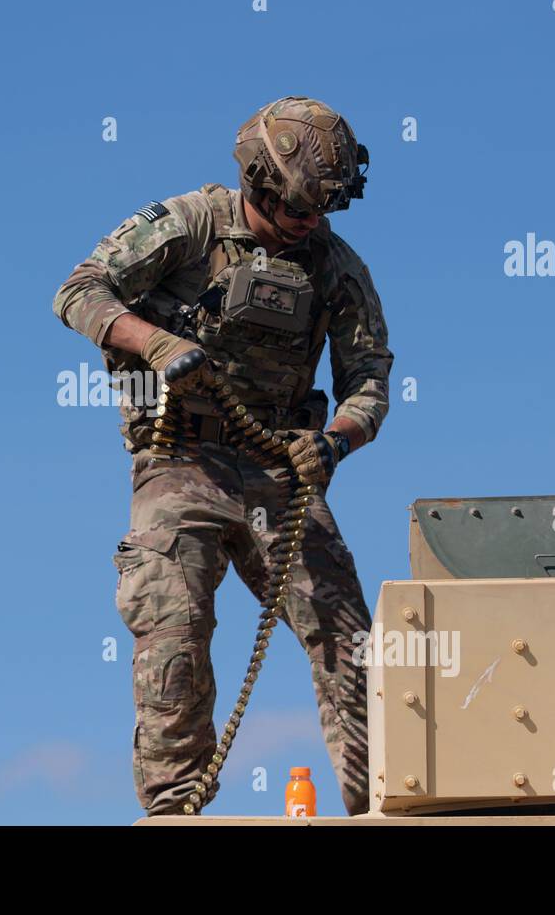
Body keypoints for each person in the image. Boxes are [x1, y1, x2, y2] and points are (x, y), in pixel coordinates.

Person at [52, 96, 393, 816]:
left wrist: (333, 443)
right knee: (174, 631)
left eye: (322, 210)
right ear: (260, 182)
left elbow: (369, 381)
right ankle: (176, 811)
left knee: (353, 647)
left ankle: (380, 808)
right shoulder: (189, 225)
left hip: (281, 475)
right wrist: (155, 343)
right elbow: (79, 291)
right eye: (300, 207)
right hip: (181, 464)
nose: (311, 223)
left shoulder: (336, 265)